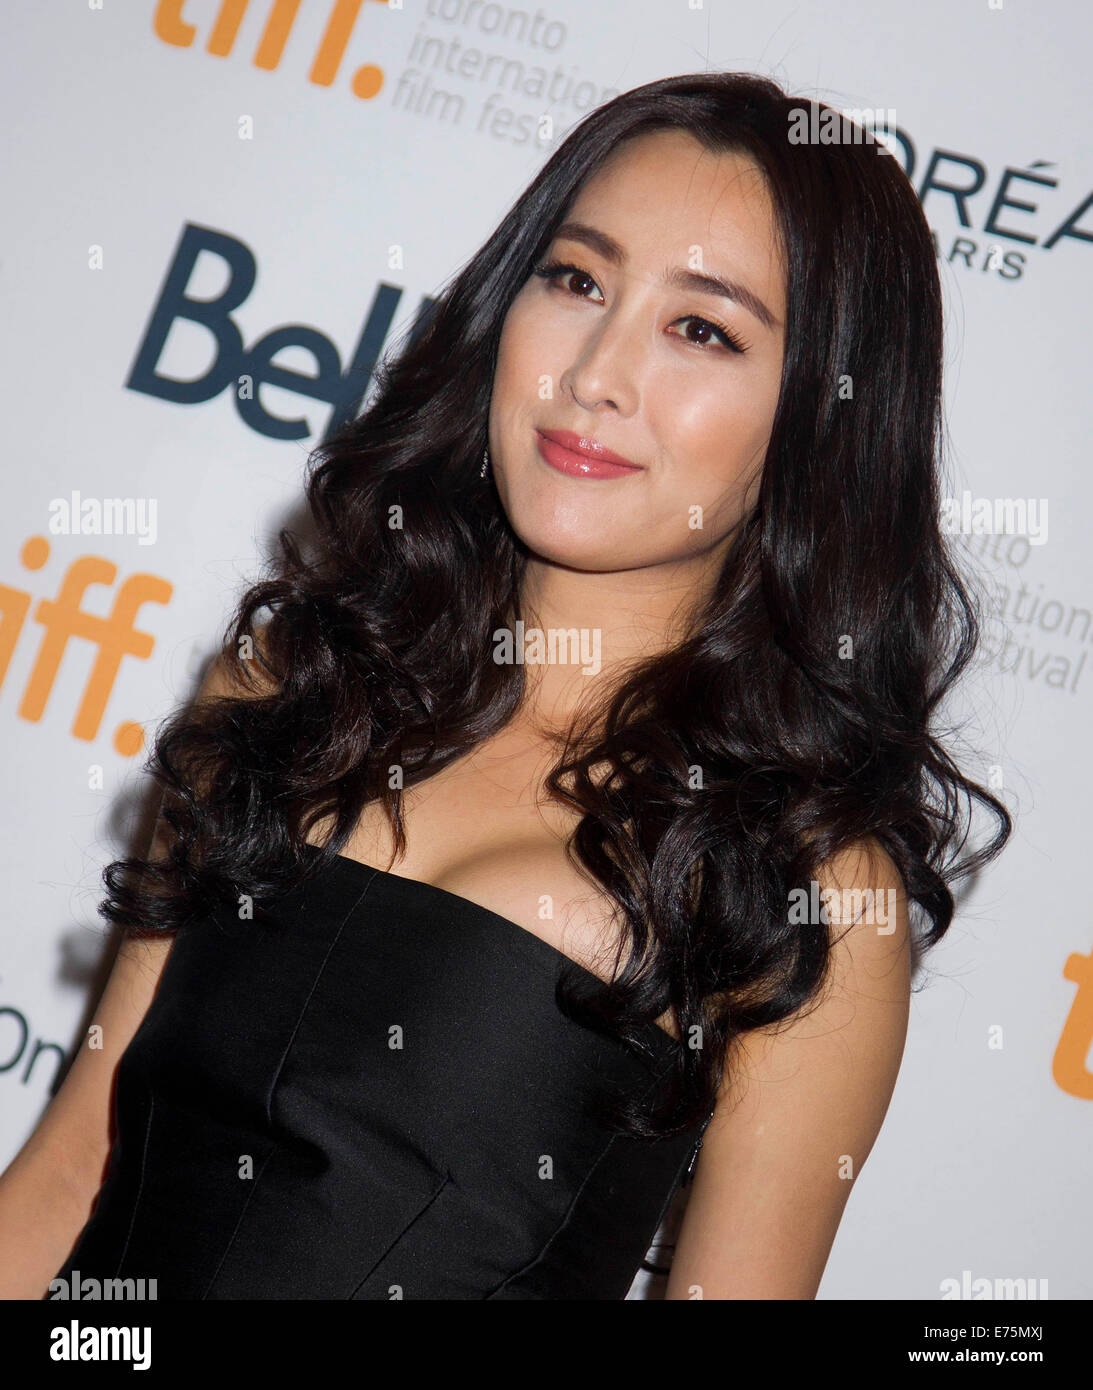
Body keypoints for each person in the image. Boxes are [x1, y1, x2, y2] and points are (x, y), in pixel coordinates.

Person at [0, 71, 1010, 1300]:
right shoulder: (288, 685)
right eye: (576, 279)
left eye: (702, 329)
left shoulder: (794, 875)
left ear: (824, 419)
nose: (593, 372)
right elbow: (68, 1171)